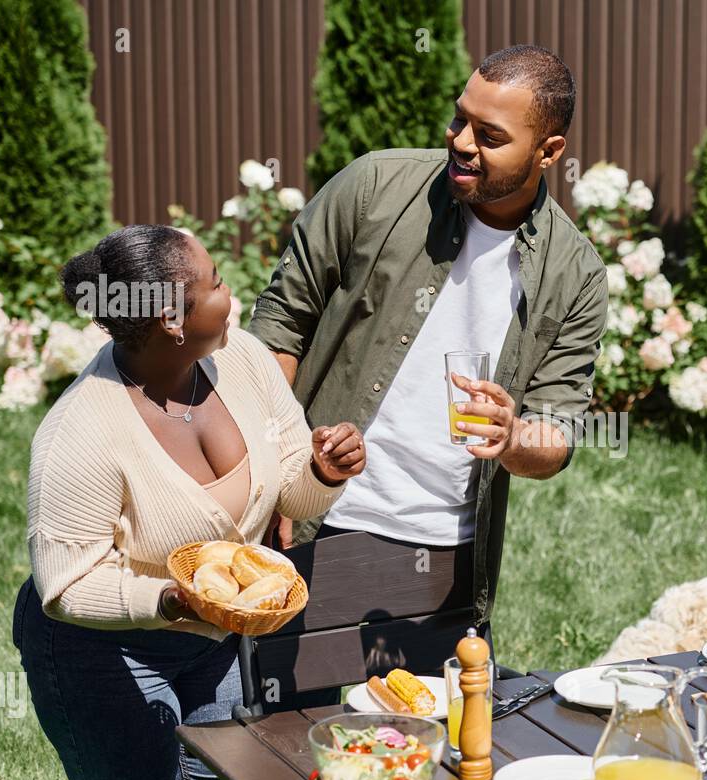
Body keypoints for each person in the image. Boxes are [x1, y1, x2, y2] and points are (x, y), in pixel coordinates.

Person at [249, 45, 608, 676]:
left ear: (549, 151)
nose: (463, 142)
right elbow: (279, 324)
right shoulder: (376, 187)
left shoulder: (575, 274)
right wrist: (284, 474)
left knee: (428, 758)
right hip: (314, 521)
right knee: (284, 753)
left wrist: (513, 436)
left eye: (491, 135)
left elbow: (556, 436)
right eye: (460, 119)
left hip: (445, 553)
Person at [14, 225, 364, 780]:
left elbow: (290, 491)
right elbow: (64, 587)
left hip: (211, 642)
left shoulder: (245, 361)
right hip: (101, 653)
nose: (231, 293)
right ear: (173, 319)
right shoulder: (81, 432)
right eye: (217, 282)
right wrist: (175, 600)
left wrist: (323, 470)